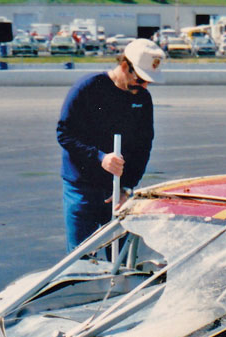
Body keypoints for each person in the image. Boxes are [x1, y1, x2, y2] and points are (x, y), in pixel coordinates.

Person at [56, 37, 164, 253]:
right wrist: (100, 157)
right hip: (82, 188)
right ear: (125, 66)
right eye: (140, 79)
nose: (143, 86)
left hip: (116, 192)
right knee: (80, 259)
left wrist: (127, 187)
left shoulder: (142, 98)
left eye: (147, 81)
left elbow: (143, 146)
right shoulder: (87, 88)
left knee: (120, 260)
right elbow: (65, 134)